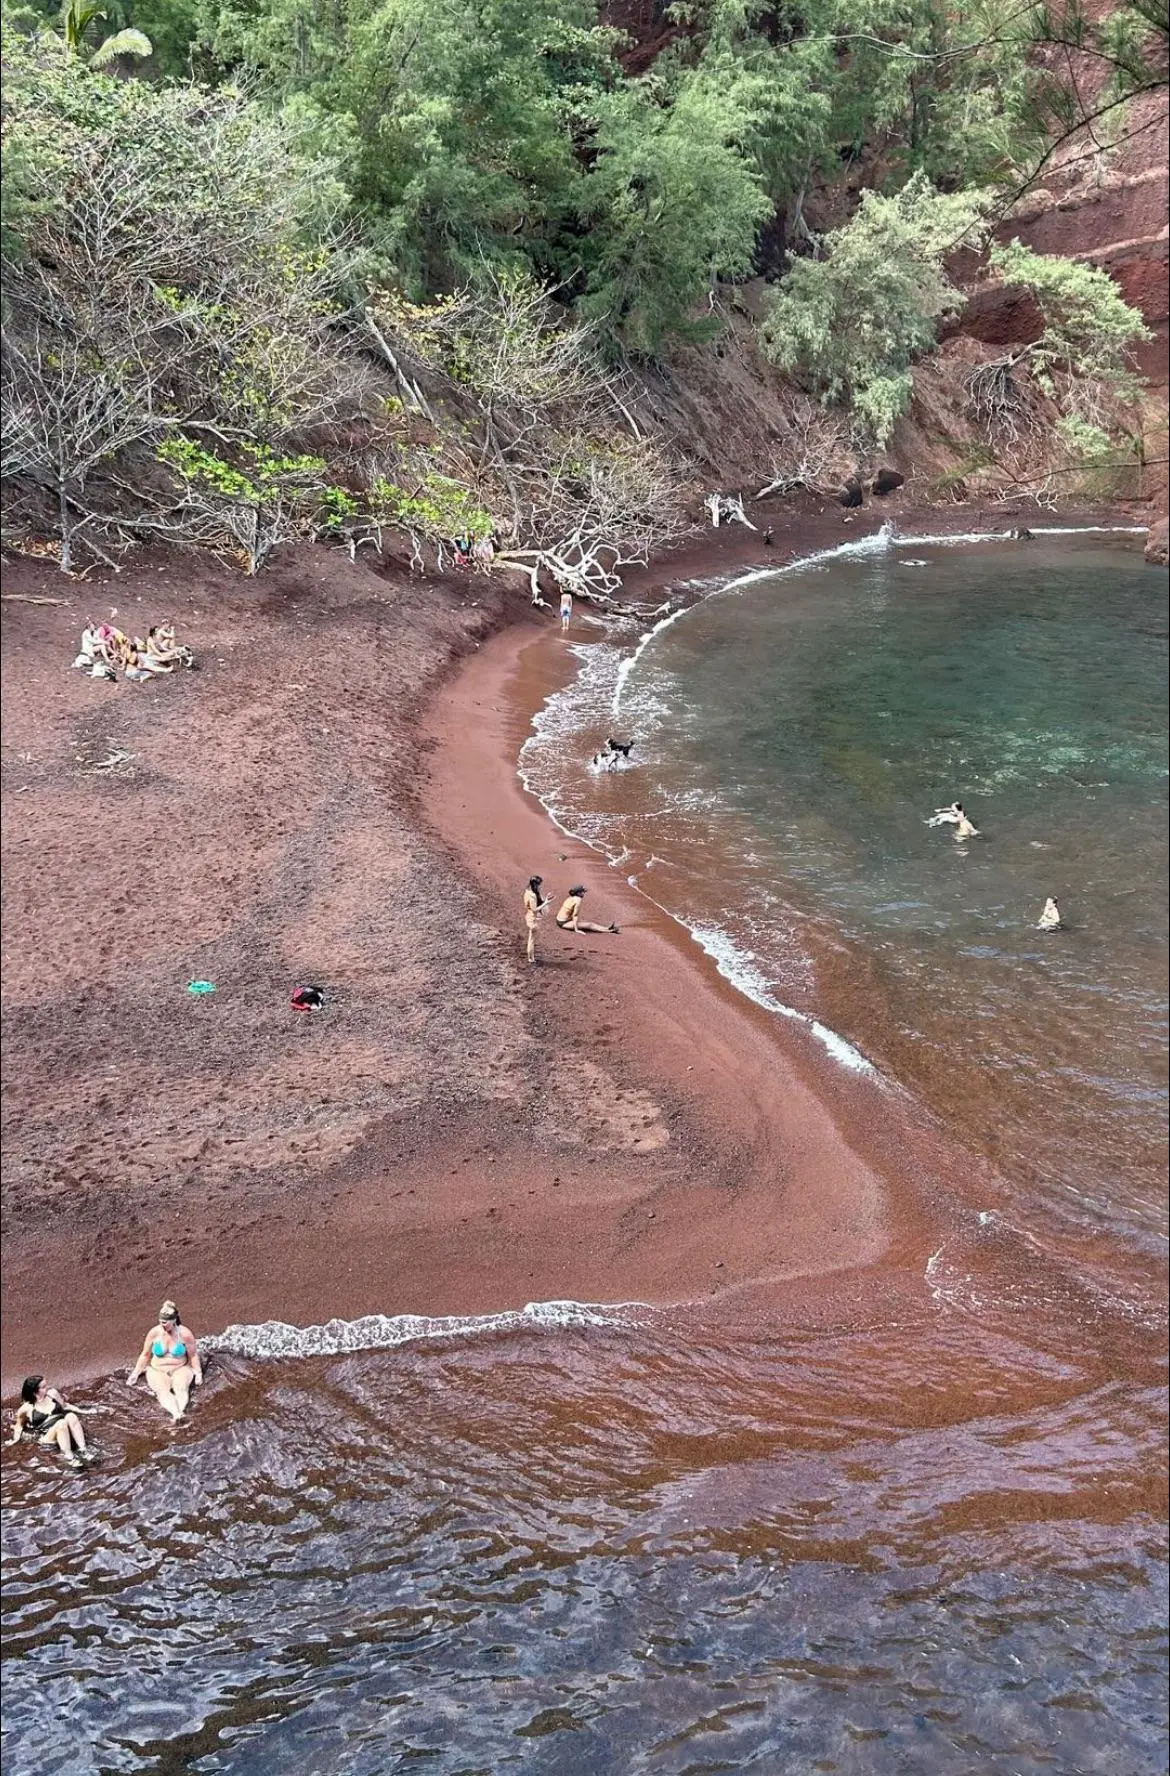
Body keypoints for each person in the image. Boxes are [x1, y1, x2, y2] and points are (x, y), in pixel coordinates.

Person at [128, 1300, 203, 1421]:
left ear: (173, 1320)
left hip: (180, 1368)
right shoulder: (154, 1333)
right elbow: (145, 1354)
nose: (163, 1325)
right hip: (157, 1370)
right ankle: (176, 1414)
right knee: (162, 1391)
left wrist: (198, 1373)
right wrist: (135, 1373)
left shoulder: (185, 1334)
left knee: (181, 1387)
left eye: (166, 1323)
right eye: (161, 1322)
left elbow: (193, 1355)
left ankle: (181, 1411)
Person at [6, 1376, 93, 1469]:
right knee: (61, 1423)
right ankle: (69, 1456)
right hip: (47, 1436)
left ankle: (83, 1450)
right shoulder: (26, 1409)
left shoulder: (52, 1394)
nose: (47, 1388)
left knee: (71, 1416)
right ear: (34, 1391)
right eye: (43, 1387)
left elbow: (65, 1406)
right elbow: (19, 1426)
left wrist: (84, 1411)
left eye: (46, 1385)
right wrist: (14, 1440)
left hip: (64, 1429)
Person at [523, 875, 548, 964]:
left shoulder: (527, 892)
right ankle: (531, 958)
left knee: (531, 939)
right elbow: (535, 909)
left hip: (529, 916)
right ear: (535, 885)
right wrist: (546, 902)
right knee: (532, 940)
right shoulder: (532, 896)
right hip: (533, 920)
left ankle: (531, 957)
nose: (540, 886)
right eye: (539, 884)